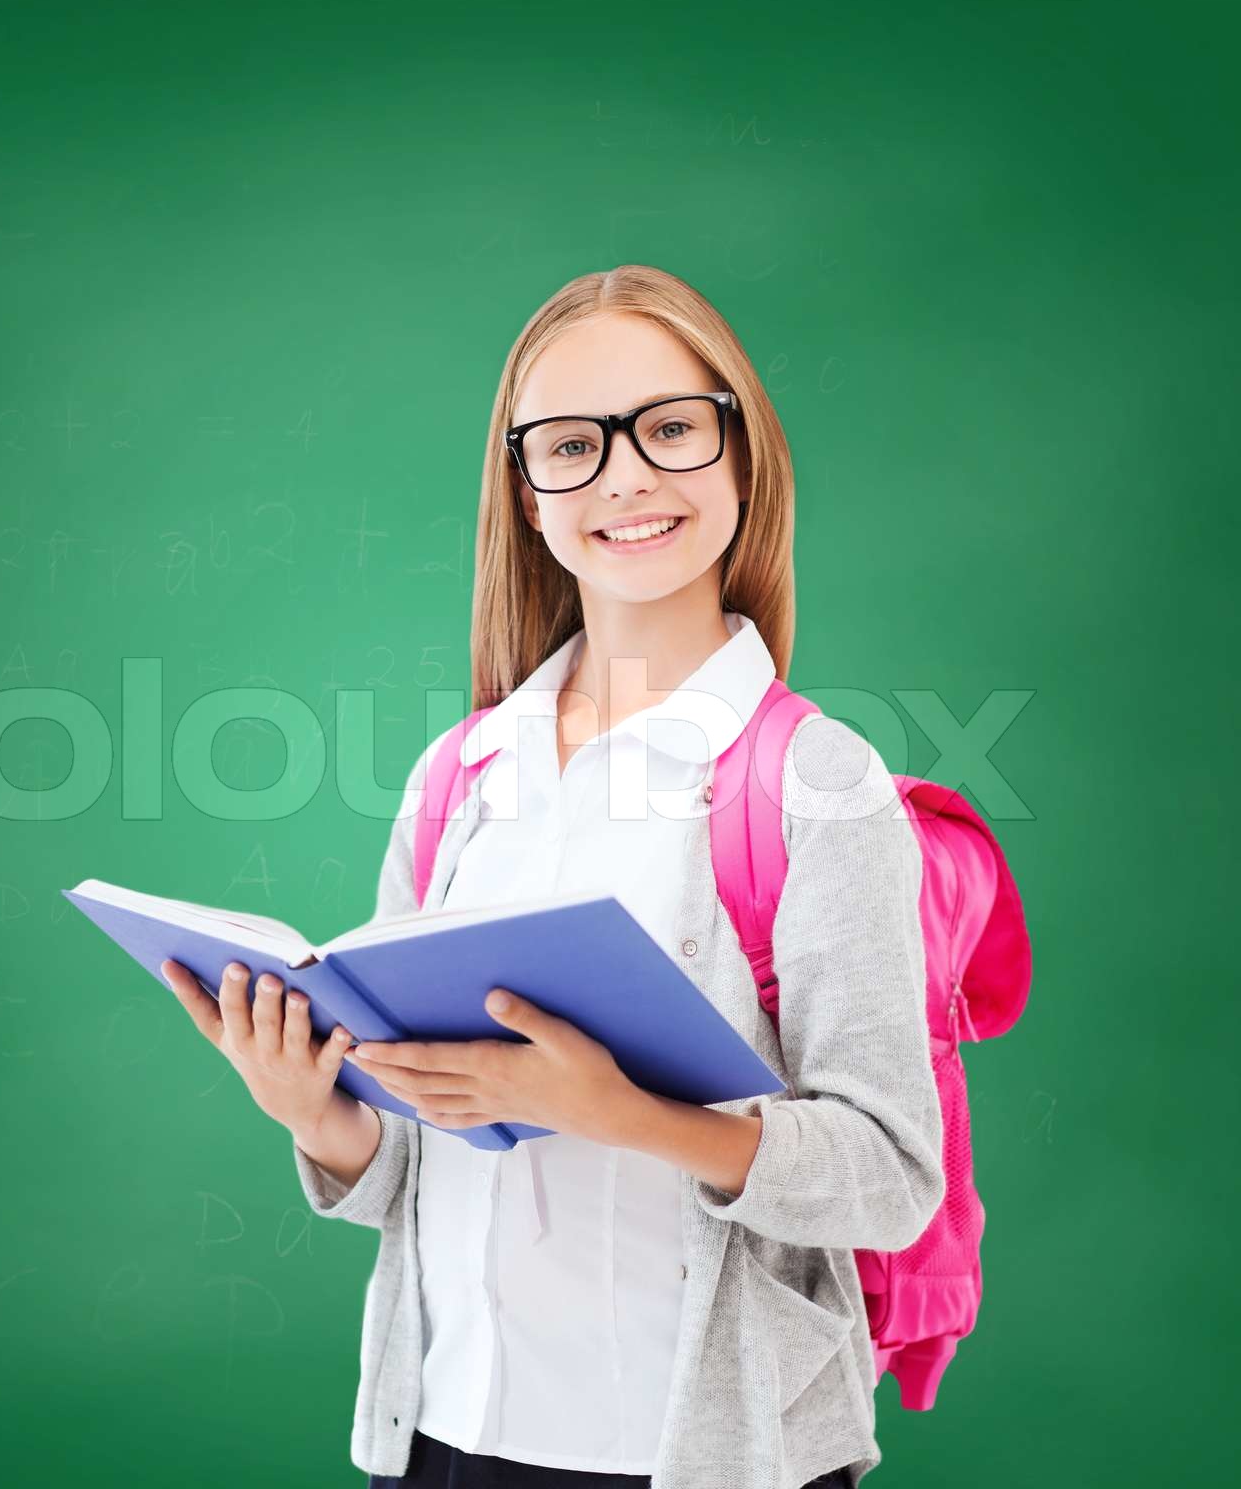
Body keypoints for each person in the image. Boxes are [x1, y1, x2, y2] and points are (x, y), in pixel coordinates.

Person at [162, 264, 946, 1489]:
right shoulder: (459, 775)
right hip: (443, 1438)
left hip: (698, 1454)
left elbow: (891, 1180)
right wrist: (315, 1110)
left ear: (743, 457)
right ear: (527, 496)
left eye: (671, 428)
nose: (625, 475)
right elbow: (417, 1161)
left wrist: (620, 1111)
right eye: (571, 445)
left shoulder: (814, 783)